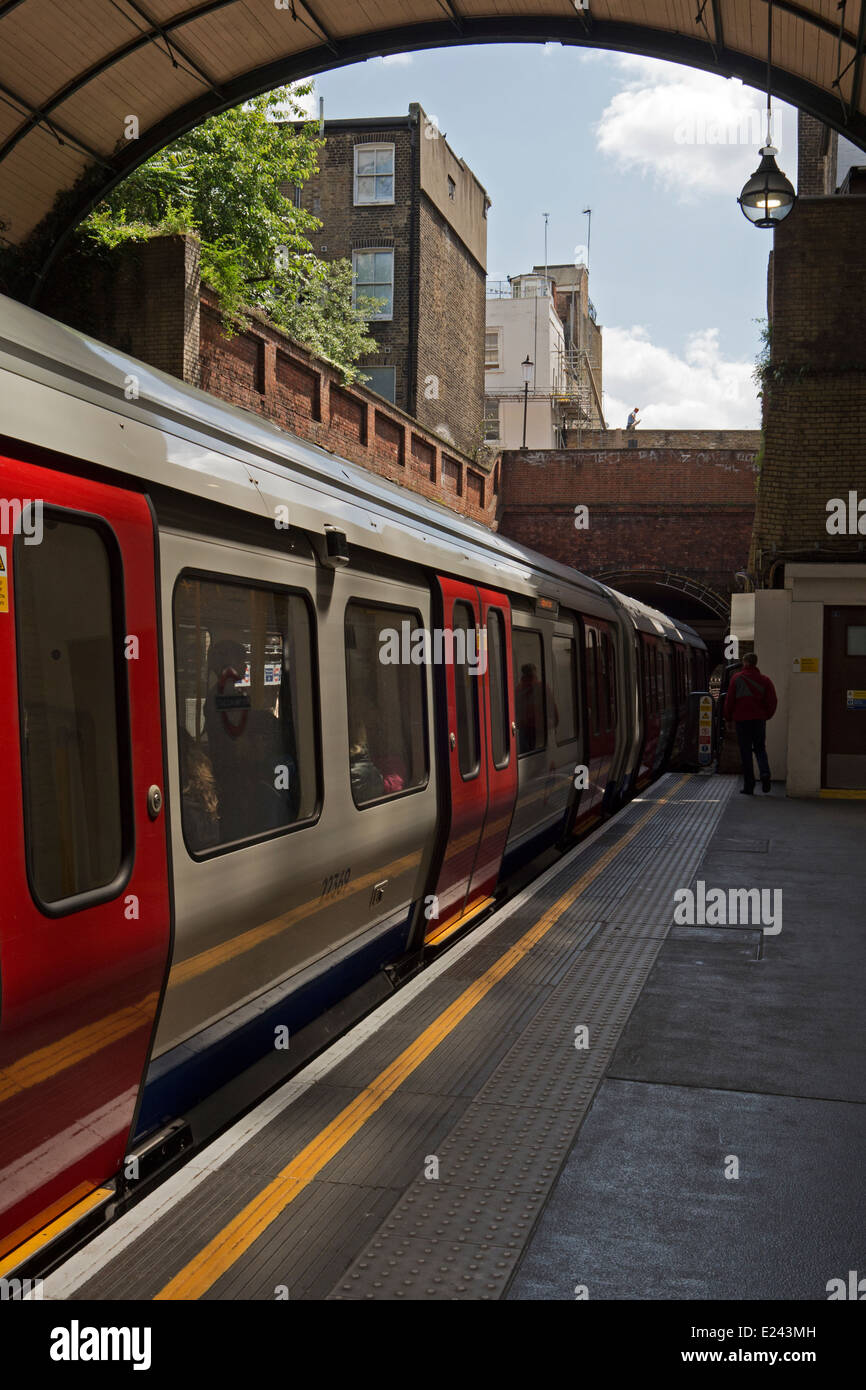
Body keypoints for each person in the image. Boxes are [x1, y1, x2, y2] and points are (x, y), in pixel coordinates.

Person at [723, 652, 778, 795]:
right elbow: (772, 701)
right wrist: (766, 715)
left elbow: (730, 701)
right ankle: (765, 773)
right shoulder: (765, 680)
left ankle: (749, 785)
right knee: (760, 748)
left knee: (745, 751)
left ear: (745, 663)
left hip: (742, 721)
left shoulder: (736, 679)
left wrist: (728, 718)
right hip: (759, 720)